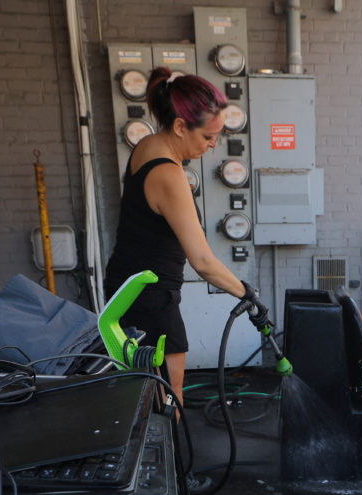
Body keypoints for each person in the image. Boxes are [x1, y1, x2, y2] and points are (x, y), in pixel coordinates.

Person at [103, 67, 268, 412]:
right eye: (209, 136)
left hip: (128, 287)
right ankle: (170, 465)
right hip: (150, 298)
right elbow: (203, 262)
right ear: (180, 127)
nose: (213, 145)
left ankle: (160, 462)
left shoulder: (147, 145)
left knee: (145, 393)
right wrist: (247, 294)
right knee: (166, 397)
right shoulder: (168, 173)